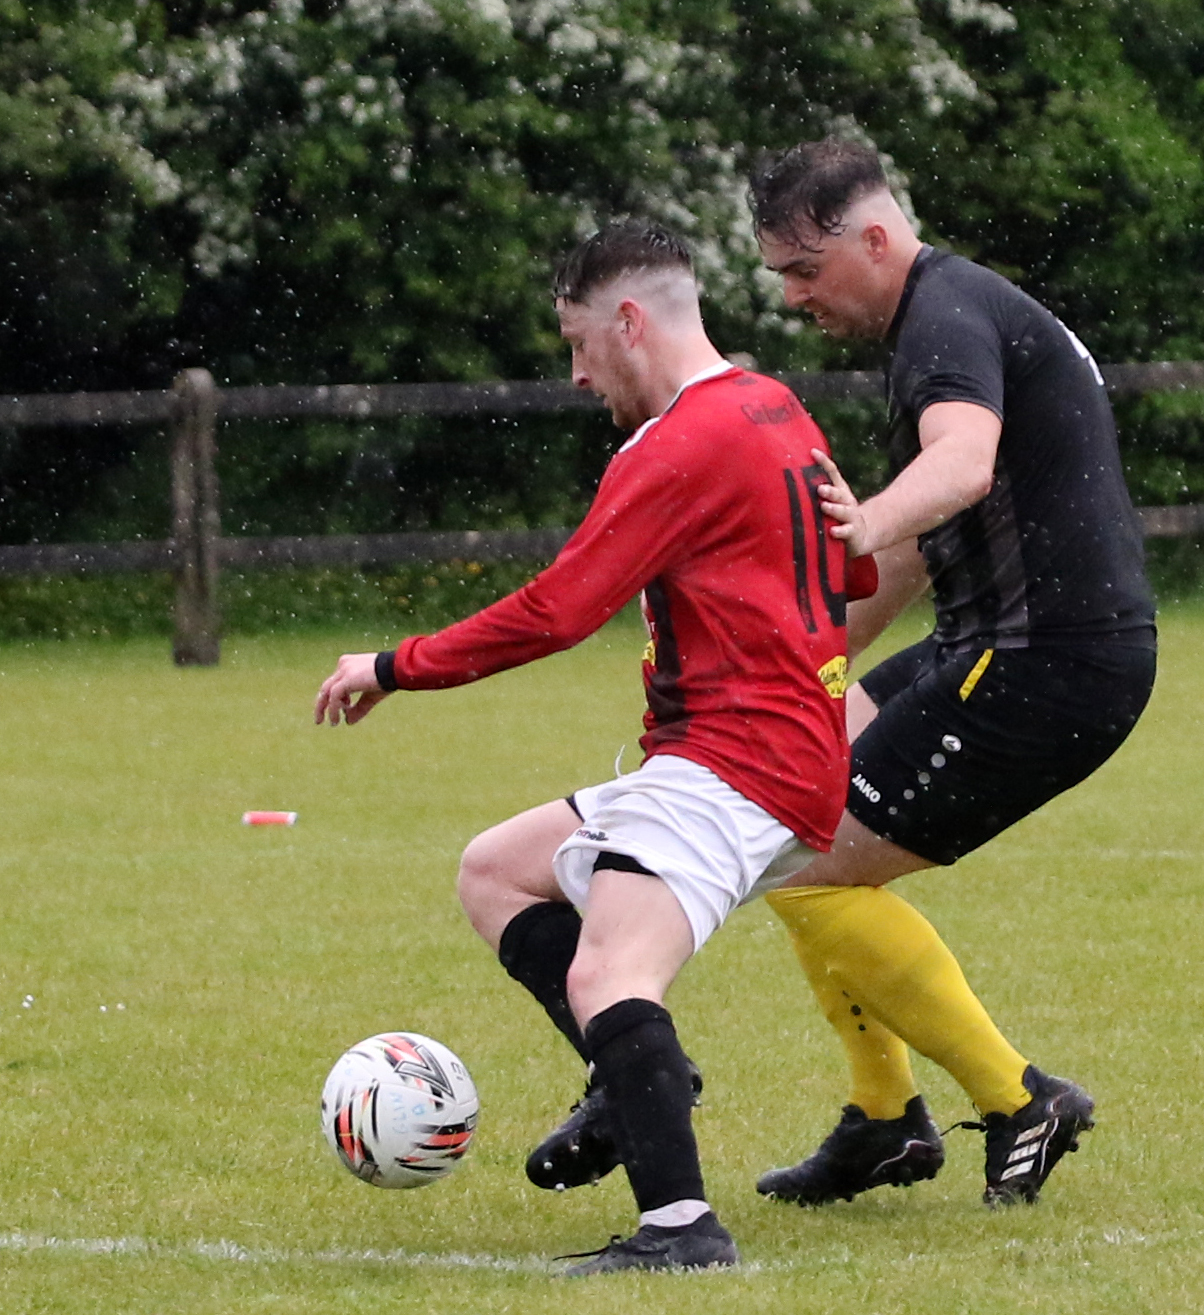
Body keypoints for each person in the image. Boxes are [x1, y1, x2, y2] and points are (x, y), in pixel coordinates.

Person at [314, 221, 874, 1275]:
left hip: (738, 755)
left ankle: (679, 1228)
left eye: (578, 342)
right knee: (496, 871)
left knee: (611, 967)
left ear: (628, 322)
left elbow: (558, 609)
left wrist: (393, 665)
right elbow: (844, 573)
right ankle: (634, 1084)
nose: (574, 373)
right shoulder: (772, 407)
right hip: (760, 749)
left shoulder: (682, 440)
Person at [742, 138, 1159, 1208]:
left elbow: (957, 469)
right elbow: (933, 537)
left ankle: (1016, 1099)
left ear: (873, 239)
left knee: (801, 860)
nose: (793, 297)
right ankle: (882, 1122)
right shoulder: (950, 312)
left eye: (803, 270)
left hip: (1046, 659)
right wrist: (807, 657)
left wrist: (858, 516)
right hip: (1003, 641)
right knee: (773, 805)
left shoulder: (942, 322)